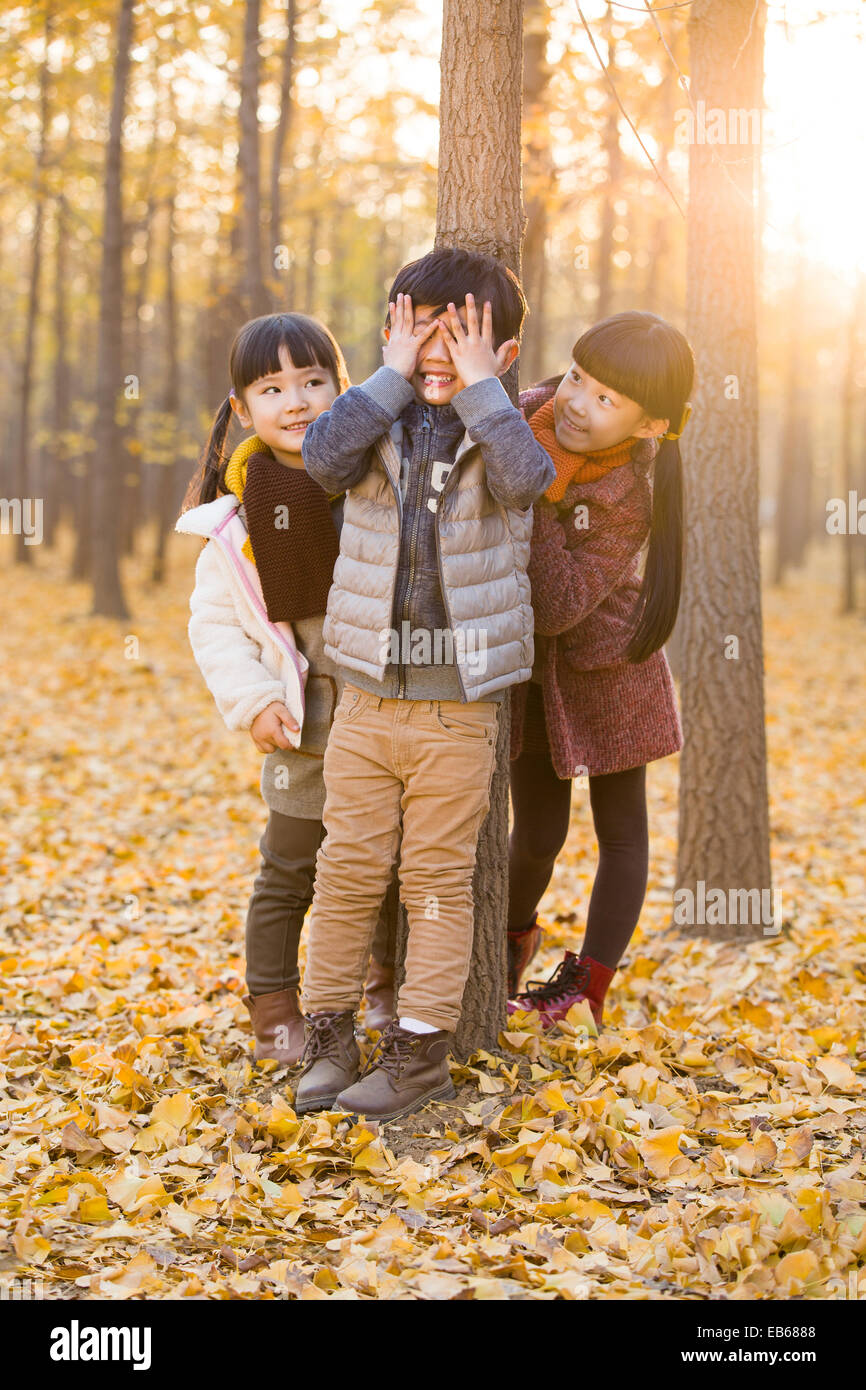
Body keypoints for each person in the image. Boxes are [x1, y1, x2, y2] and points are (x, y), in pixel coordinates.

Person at [293, 247, 556, 1122]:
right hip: (365, 695)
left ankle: (418, 1055)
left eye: (463, 344)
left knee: (437, 882)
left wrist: (481, 390)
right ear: (392, 338)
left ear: (504, 356)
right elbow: (322, 461)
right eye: (422, 339)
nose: (439, 357)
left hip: (458, 706)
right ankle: (327, 1035)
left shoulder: (507, 427)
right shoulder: (373, 420)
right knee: (347, 874)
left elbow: (528, 483)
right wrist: (391, 378)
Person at [176, 312, 395, 1068]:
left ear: (344, 388)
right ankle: (273, 1008)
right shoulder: (233, 523)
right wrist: (253, 701)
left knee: (388, 860)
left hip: (383, 708)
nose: (296, 401)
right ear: (243, 408)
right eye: (273, 388)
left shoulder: (372, 478)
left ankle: (385, 986)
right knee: (290, 865)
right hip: (303, 718)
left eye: (313, 381)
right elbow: (215, 627)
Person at [507, 310, 694, 1029]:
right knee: (537, 834)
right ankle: (510, 938)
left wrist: (536, 489)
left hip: (612, 668)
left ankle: (586, 983)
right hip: (534, 680)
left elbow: (556, 605)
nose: (579, 403)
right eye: (580, 378)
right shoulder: (529, 412)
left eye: (607, 399)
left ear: (649, 426)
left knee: (622, 831)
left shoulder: (629, 501)